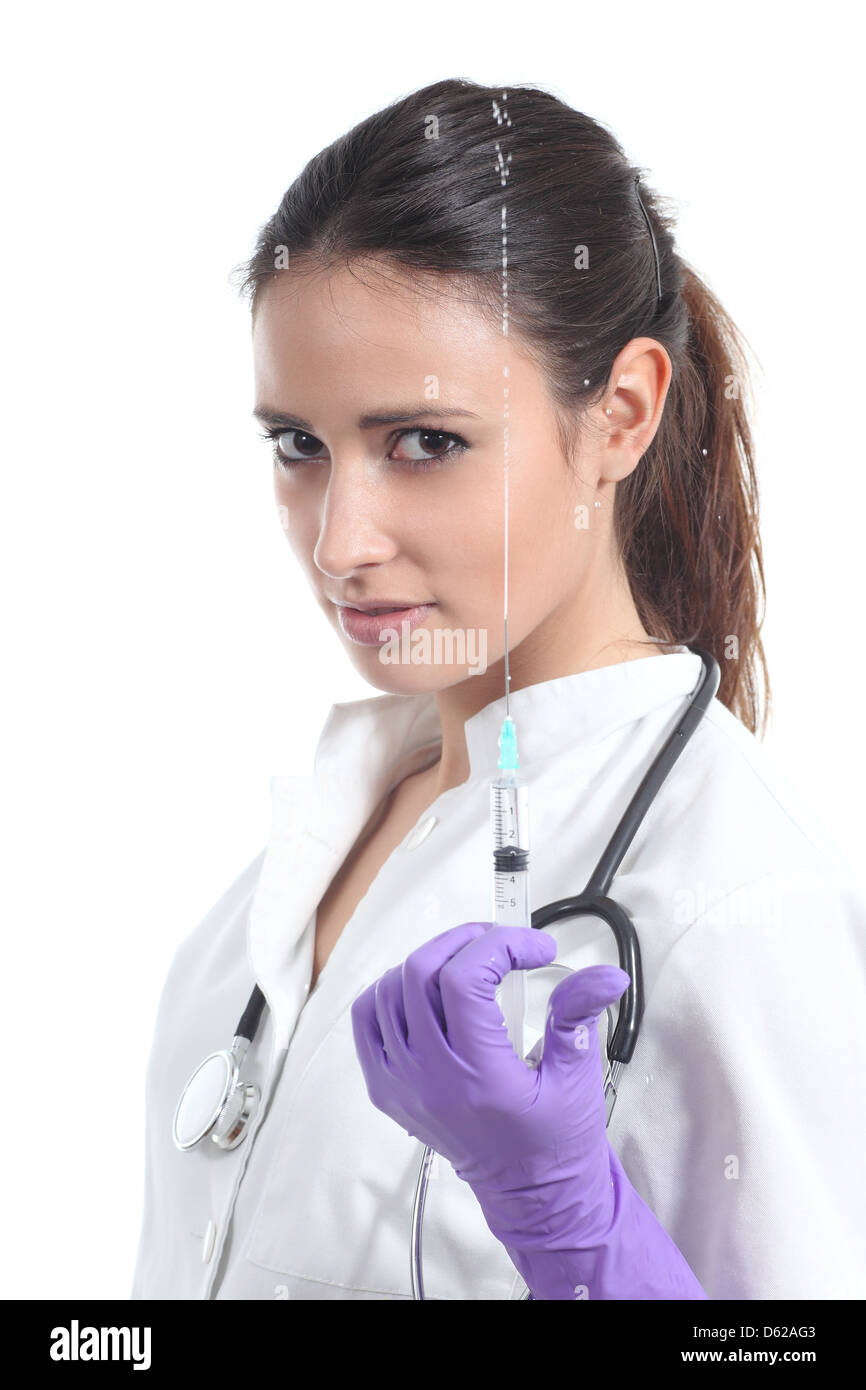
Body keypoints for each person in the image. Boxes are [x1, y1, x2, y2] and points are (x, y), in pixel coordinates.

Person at [131, 78, 866, 1300]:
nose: (339, 543)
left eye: (423, 442)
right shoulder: (316, 840)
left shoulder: (739, 904)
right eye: (297, 445)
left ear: (621, 413)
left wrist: (569, 1228)